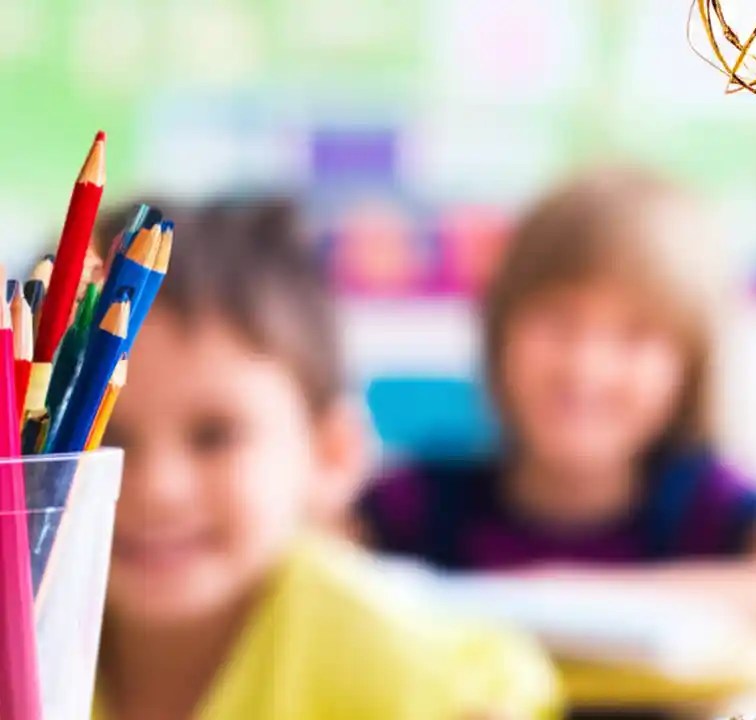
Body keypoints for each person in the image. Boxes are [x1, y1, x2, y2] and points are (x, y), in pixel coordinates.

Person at [92, 199, 559, 720]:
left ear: (332, 454)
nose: (157, 487)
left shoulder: (385, 655)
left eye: (214, 436)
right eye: (103, 435)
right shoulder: (32, 623)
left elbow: (502, 680)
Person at [360, 169, 756, 627]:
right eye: (558, 320)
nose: (587, 367)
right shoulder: (423, 503)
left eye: (636, 336)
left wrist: (596, 599)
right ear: (500, 332)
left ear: (690, 367)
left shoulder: (702, 503)